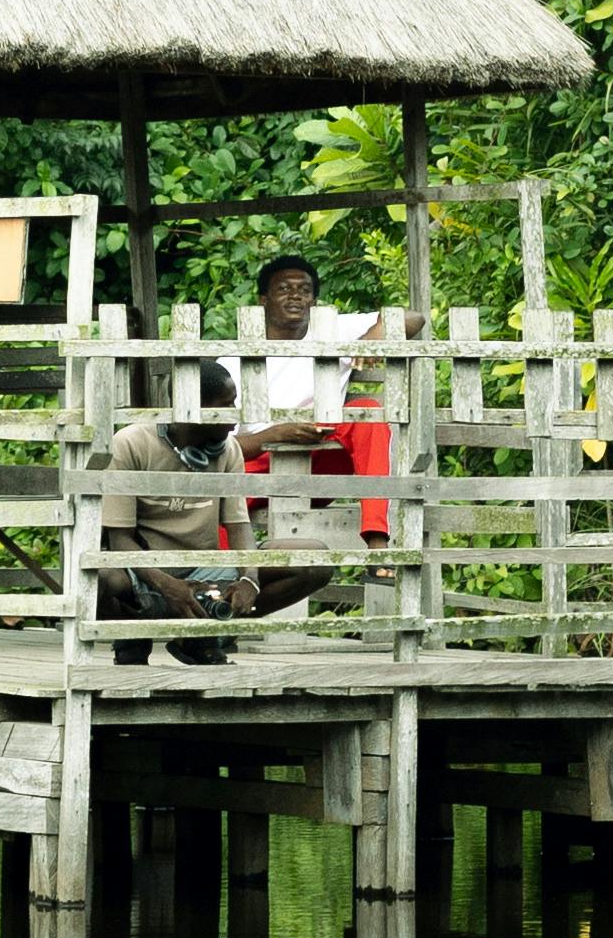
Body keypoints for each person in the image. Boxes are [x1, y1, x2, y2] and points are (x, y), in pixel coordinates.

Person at [235, 251, 395, 612]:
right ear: (263, 300)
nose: (296, 296)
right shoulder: (234, 358)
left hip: (322, 453)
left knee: (368, 411)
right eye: (284, 289)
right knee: (213, 510)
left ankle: (377, 542)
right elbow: (224, 448)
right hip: (259, 464)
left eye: (304, 290)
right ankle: (222, 601)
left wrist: (370, 340)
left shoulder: (332, 331)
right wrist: (275, 433)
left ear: (314, 300)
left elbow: (410, 318)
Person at [94, 356, 247, 652]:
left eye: (235, 402)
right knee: (101, 578)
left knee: (307, 561)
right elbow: (120, 540)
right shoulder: (131, 443)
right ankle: (135, 633)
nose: (234, 414)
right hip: (142, 572)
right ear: (191, 407)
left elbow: (239, 527)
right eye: (224, 406)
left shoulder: (230, 450)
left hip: (205, 572)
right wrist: (166, 586)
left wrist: (249, 581)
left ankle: (199, 638)